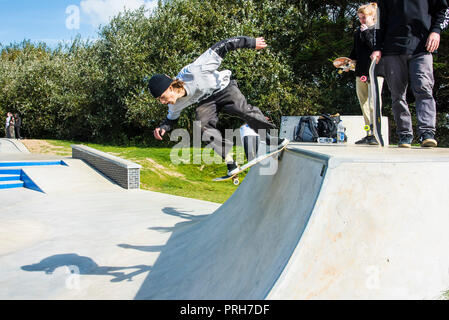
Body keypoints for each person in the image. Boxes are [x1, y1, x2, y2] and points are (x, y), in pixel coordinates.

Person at [148, 36, 288, 176]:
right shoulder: (174, 104)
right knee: (202, 125)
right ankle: (230, 161)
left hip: (224, 88)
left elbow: (223, 45)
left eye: (162, 97)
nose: (163, 102)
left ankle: (270, 138)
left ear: (170, 88)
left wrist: (251, 42)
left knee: (242, 109)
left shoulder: (195, 70)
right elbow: (171, 119)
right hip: (206, 101)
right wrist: (162, 128)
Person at [371, 0, 449, 148]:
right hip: (392, 49)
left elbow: (443, 11)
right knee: (397, 94)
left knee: (424, 89)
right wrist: (377, 47)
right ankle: (404, 135)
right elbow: (379, 22)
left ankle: (427, 134)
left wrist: (436, 31)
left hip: (422, 47)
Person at [349, 2, 385, 145]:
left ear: (372, 16)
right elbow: (355, 51)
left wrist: (366, 32)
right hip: (361, 71)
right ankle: (368, 133)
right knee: (363, 104)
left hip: (375, 71)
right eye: (360, 18)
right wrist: (348, 63)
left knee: (373, 103)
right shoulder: (358, 32)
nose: (361, 21)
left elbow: (374, 47)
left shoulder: (378, 30)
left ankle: (377, 133)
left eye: (364, 18)